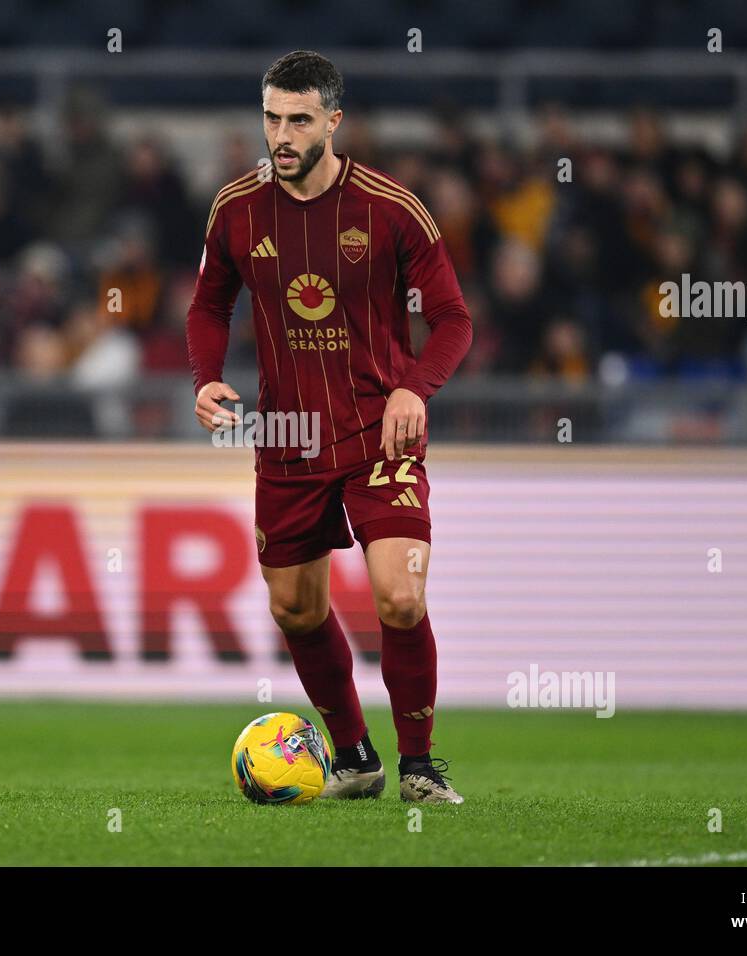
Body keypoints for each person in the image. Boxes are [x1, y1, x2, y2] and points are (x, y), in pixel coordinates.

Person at [186, 51, 473, 803]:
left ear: (333, 122)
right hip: (288, 439)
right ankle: (354, 756)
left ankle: (418, 765)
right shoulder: (237, 208)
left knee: (400, 598)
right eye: (272, 118)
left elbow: (451, 320)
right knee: (295, 608)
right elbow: (208, 304)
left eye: (299, 119)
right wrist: (207, 376)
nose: (281, 135)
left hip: (380, 430)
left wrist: (415, 390)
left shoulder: (390, 207)